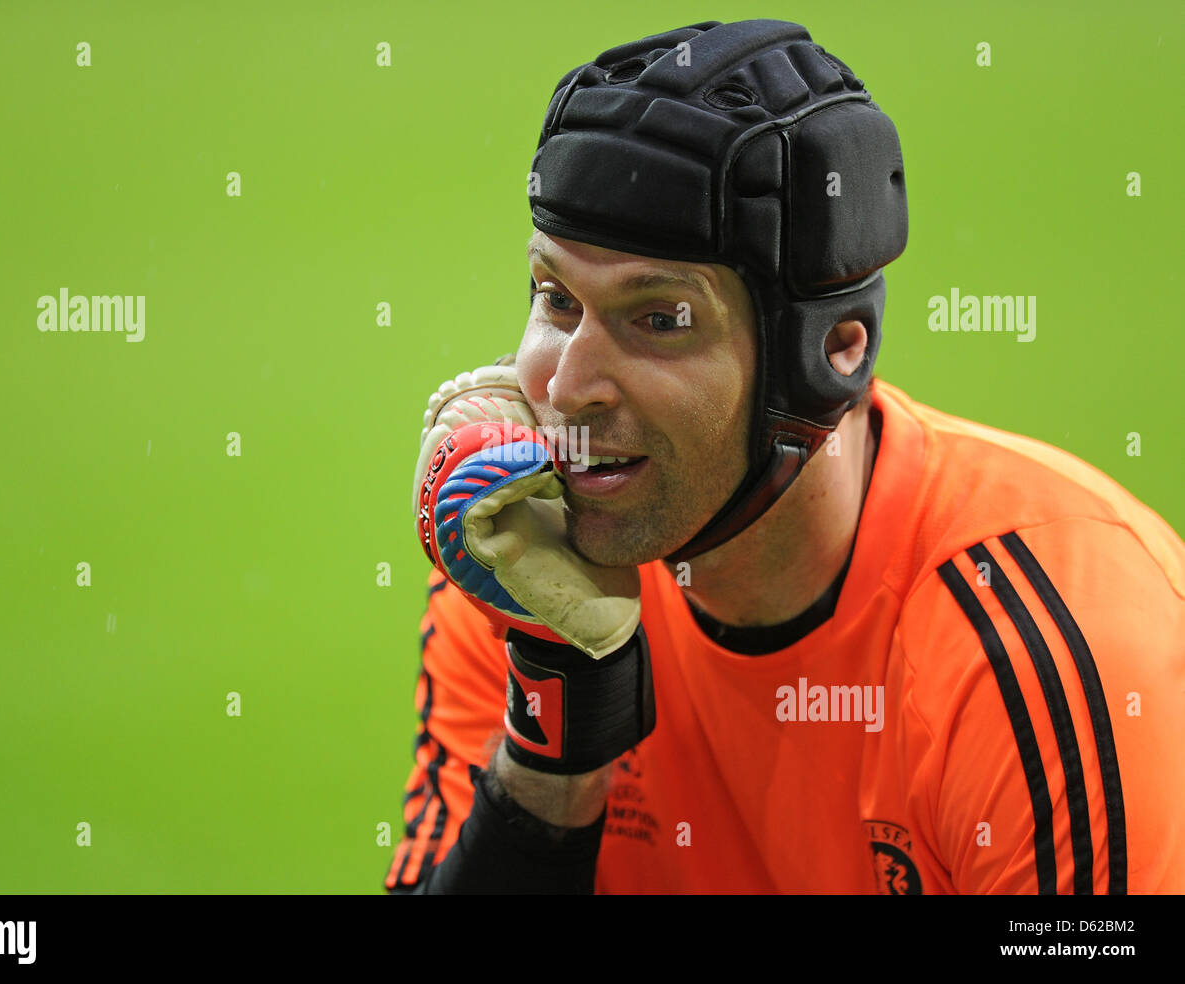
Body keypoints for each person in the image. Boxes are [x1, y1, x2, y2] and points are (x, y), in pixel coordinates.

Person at [386, 18, 1185, 894]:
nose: (569, 387)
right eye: (557, 300)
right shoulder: (526, 566)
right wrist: (563, 710)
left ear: (832, 352)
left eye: (660, 319)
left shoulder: (1049, 648)